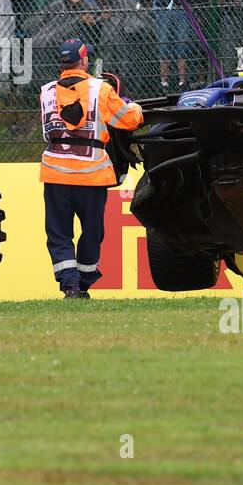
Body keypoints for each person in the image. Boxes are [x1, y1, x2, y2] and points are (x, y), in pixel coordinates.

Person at [40, 38, 144, 299]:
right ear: (84, 60)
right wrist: (135, 108)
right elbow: (128, 121)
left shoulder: (46, 91)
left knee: (59, 233)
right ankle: (84, 282)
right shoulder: (101, 89)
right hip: (92, 175)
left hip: (56, 172)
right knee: (93, 231)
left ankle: (70, 285)